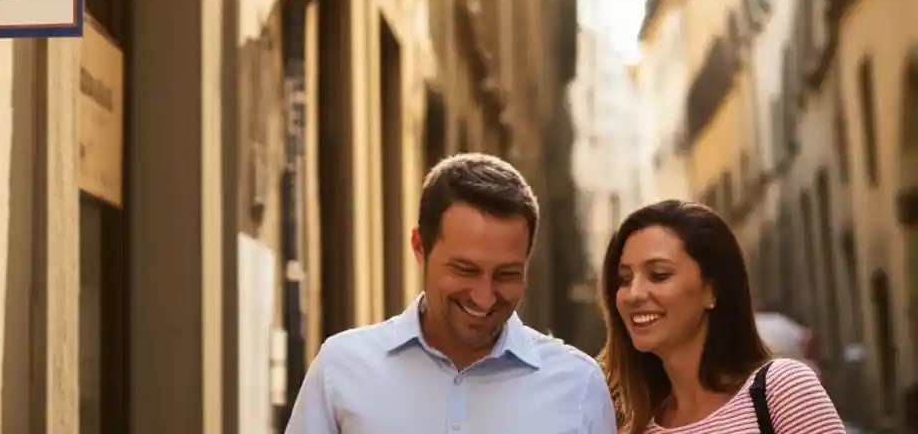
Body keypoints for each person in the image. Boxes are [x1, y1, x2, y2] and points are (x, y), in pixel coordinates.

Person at [286, 153, 617, 433]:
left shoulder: (579, 387)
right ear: (420, 248)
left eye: (506, 274)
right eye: (465, 270)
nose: (484, 297)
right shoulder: (340, 370)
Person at [598, 199, 846, 433]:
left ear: (712, 290)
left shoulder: (783, 390)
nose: (634, 294)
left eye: (659, 275)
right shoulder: (624, 425)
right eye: (624, 279)